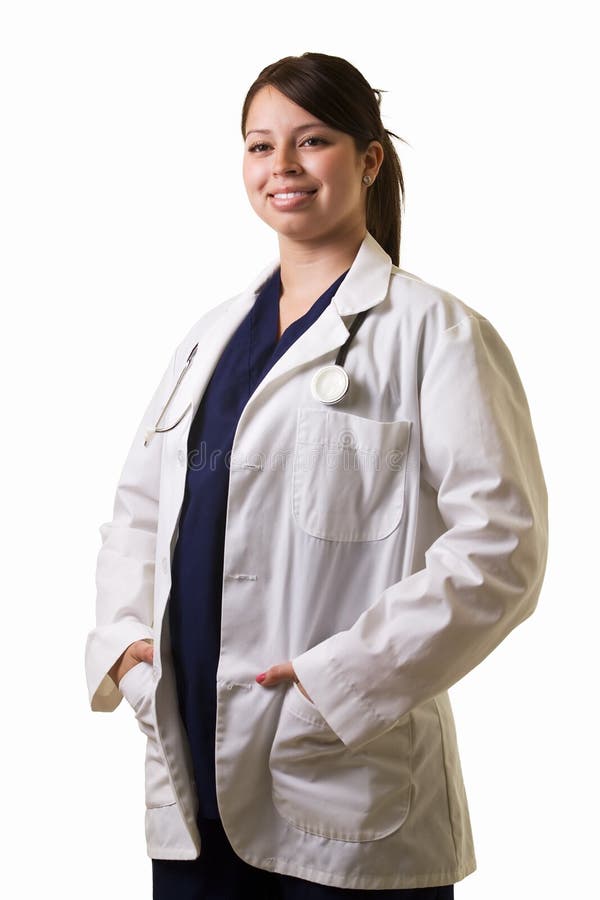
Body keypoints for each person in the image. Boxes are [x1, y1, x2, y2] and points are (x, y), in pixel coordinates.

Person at [84, 52, 549, 899]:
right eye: (260, 147)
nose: (283, 168)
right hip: (191, 774)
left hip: (341, 775)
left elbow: (501, 553)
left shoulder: (435, 333)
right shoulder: (209, 337)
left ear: (369, 159)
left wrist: (337, 684)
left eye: (313, 141)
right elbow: (139, 511)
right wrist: (124, 646)